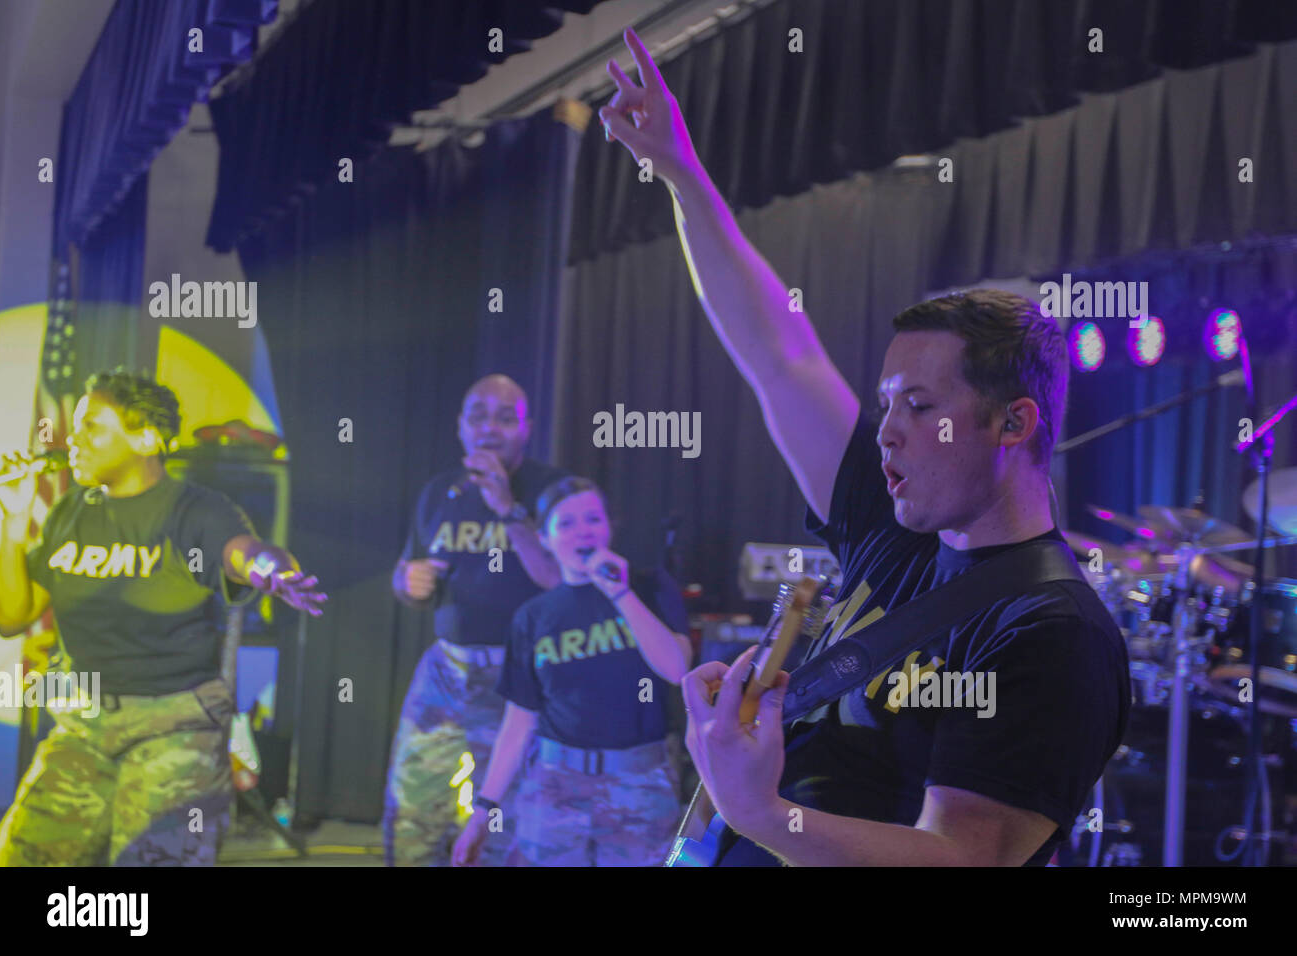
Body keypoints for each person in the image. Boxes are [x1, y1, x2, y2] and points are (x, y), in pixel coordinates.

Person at [598, 28, 1129, 866]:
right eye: (887, 402)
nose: (887, 429)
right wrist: (680, 174)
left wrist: (762, 813)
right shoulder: (898, 530)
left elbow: (961, 857)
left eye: (920, 405)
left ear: (1016, 424)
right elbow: (779, 354)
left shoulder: (1051, 630)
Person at [0, 370, 325, 866]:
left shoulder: (195, 511)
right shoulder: (70, 512)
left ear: (146, 438)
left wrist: (270, 570)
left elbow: (244, 552)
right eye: (77, 427)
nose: (74, 440)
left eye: (93, 428)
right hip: (83, 725)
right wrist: (14, 520)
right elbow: (12, 617)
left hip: (174, 724)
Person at [451, 476, 690, 867]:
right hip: (555, 784)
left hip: (640, 783)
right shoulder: (534, 617)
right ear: (544, 538)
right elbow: (518, 721)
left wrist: (619, 593)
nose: (584, 531)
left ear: (609, 527)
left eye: (593, 519)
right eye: (567, 523)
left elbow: (677, 669)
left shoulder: (649, 587)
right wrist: (482, 811)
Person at [384, 374, 565, 866]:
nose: (490, 428)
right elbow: (411, 576)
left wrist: (506, 506)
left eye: (506, 418)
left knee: (504, 824)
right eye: (478, 416)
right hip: (446, 669)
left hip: (519, 678)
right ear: (461, 427)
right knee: (411, 812)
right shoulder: (440, 491)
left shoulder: (552, 490)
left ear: (527, 429)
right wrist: (408, 583)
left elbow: (558, 580)